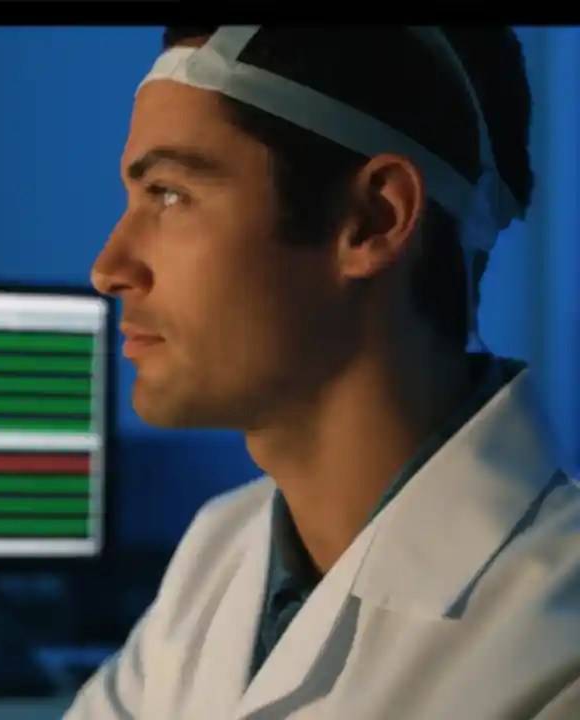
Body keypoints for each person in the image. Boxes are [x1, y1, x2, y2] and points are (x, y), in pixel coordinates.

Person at [66, 25, 579, 719]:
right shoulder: (222, 550)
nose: (109, 268)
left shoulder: (557, 648)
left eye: (170, 194)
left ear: (373, 219)